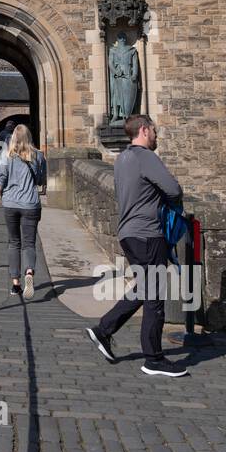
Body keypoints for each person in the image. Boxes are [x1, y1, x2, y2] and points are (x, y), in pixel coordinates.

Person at [85, 113, 189, 378]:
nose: (156, 135)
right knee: (154, 297)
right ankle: (153, 359)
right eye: (153, 130)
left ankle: (103, 330)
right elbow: (174, 190)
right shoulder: (146, 157)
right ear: (144, 130)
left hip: (129, 233)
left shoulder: (122, 159)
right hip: (147, 234)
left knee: (144, 289)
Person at [0, 124, 46, 299]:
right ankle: (29, 271)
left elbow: (0, 179)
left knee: (14, 243)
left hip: (11, 204)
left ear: (13, 138)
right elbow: (41, 180)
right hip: (30, 204)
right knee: (29, 243)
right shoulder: (39, 156)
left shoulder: (6, 155)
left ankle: (15, 285)